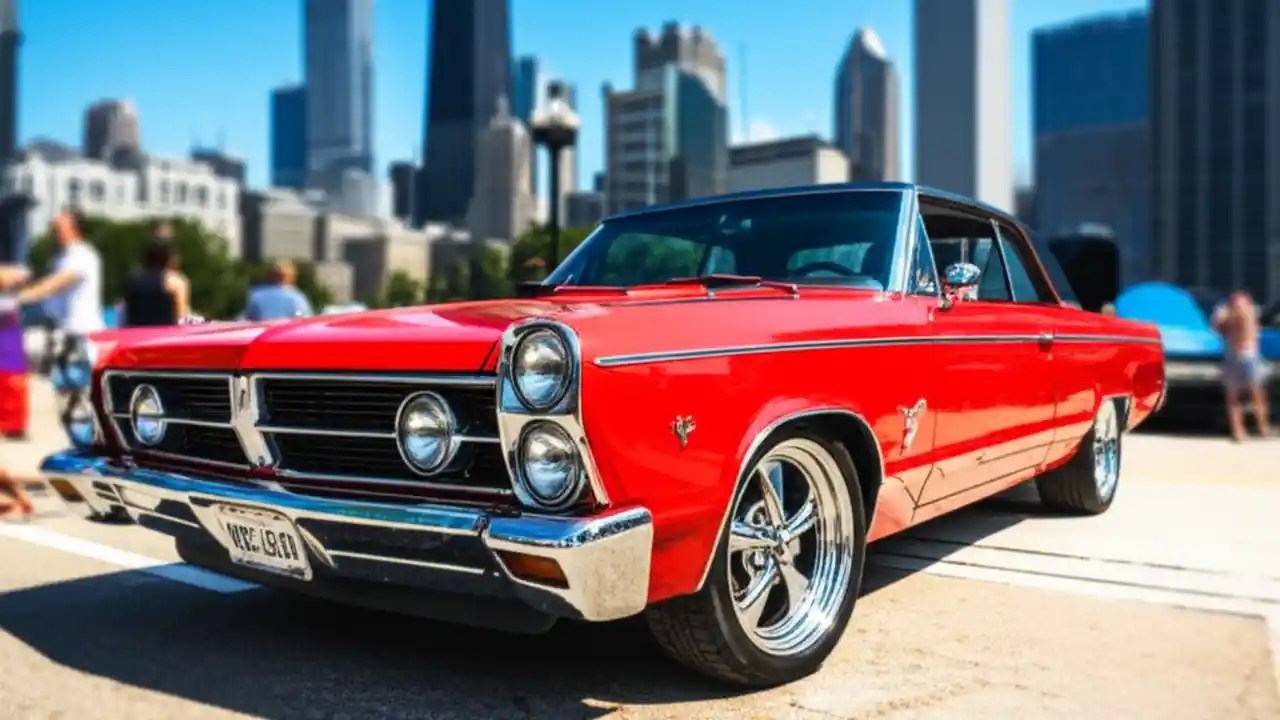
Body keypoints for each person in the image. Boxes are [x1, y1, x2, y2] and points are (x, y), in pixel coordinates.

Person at [13, 212, 104, 336]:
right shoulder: (59, 257)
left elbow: (54, 284)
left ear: (74, 229)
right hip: (63, 329)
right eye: (54, 228)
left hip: (84, 331)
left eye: (59, 228)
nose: (55, 232)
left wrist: (14, 299)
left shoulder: (83, 255)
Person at [1212, 290, 1271, 441]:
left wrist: (1232, 313)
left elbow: (1245, 321)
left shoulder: (1250, 313)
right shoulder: (1226, 317)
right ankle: (1238, 430)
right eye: (1235, 301)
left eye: (1241, 301)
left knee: (1257, 394)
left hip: (1249, 356)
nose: (1237, 305)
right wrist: (1220, 318)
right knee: (1233, 397)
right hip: (1233, 358)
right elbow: (1218, 329)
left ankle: (1263, 427)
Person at [122, 221, 190, 326]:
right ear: (169, 258)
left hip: (134, 334)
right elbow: (182, 320)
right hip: (164, 334)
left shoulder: (132, 280)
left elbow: (125, 318)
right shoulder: (175, 283)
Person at [244, 259, 312, 321]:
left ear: (269, 276)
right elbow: (305, 321)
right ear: (291, 278)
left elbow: (248, 319)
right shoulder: (297, 298)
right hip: (288, 330)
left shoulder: (255, 296)